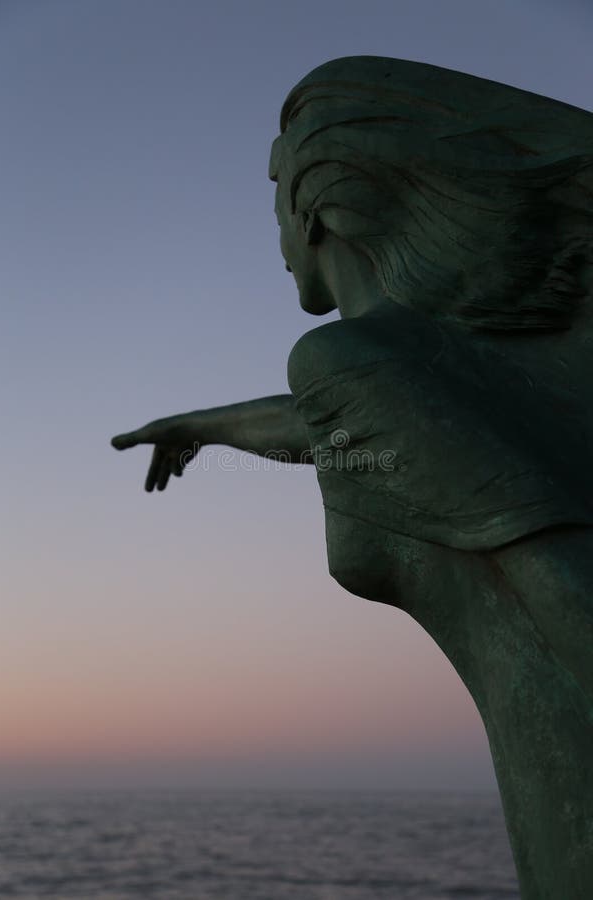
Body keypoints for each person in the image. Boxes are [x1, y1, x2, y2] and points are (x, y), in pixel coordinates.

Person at [112, 58, 593, 897]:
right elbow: (360, 424)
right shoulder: (473, 369)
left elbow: (558, 577)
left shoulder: (353, 362)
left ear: (321, 215)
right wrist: (204, 426)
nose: (278, 248)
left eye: (276, 221)